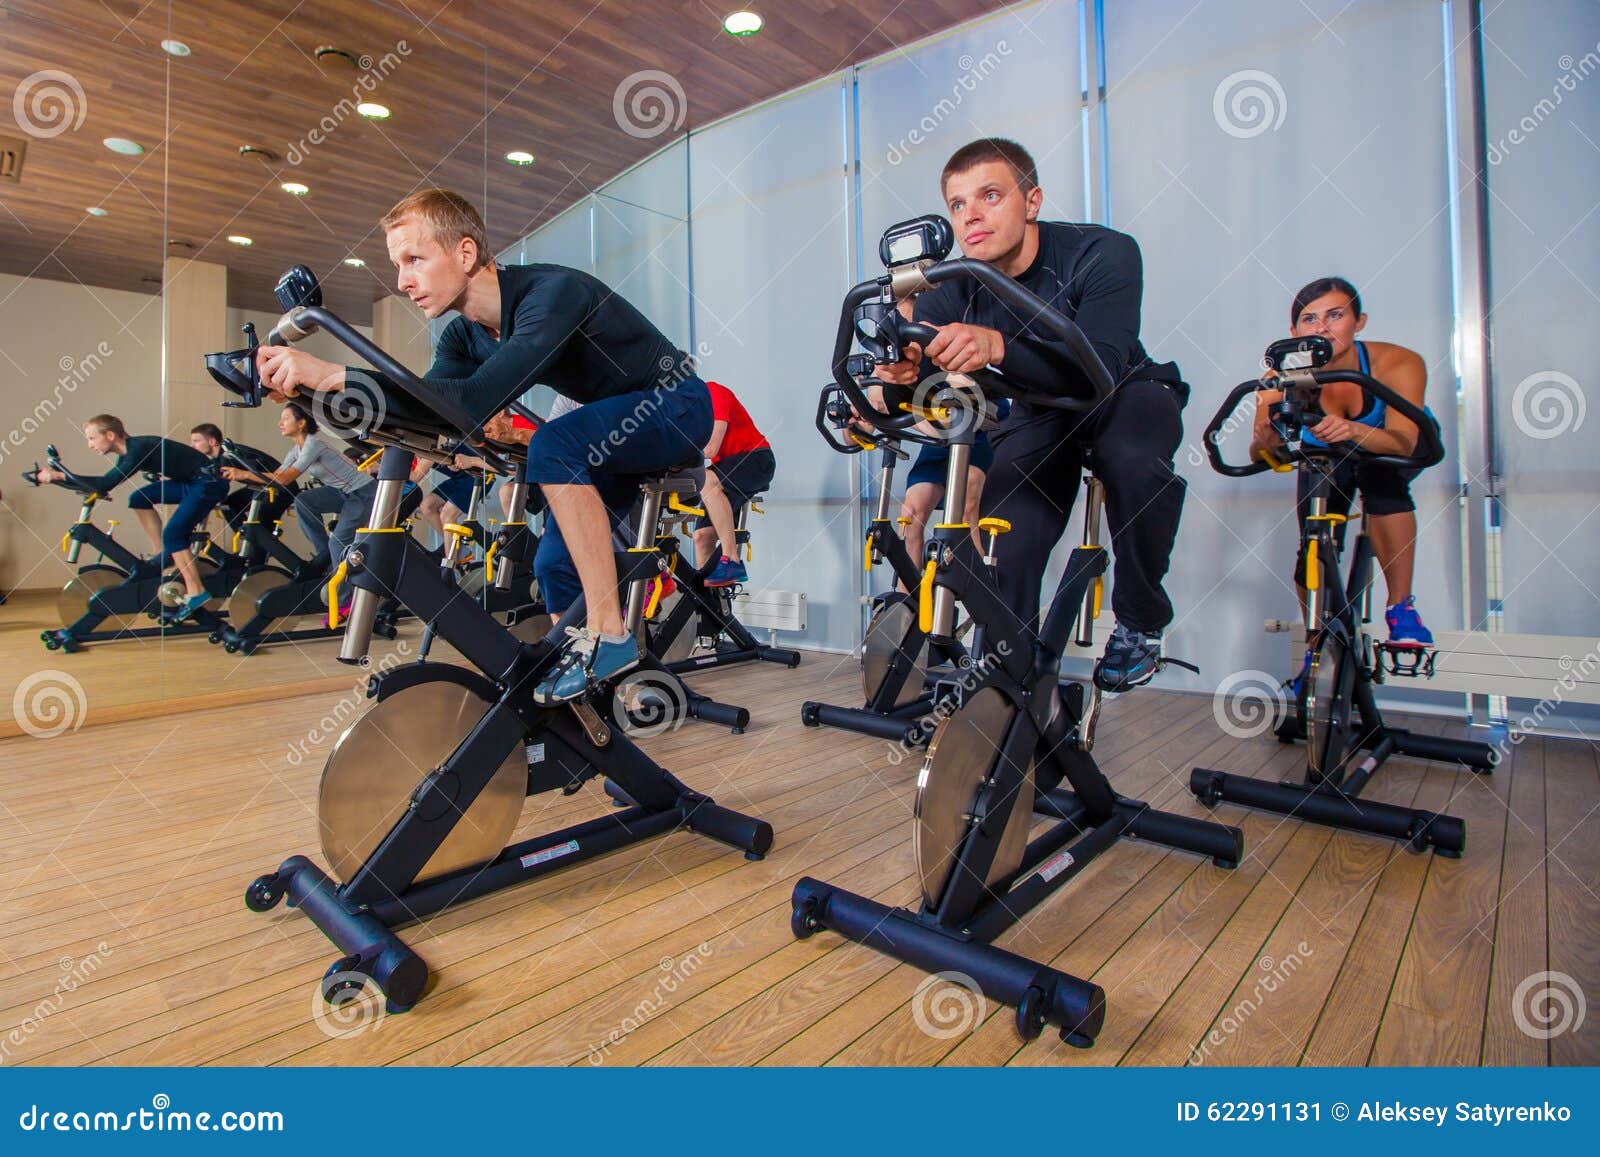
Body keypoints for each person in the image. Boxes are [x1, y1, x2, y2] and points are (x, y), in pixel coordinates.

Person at [248, 188, 710, 703]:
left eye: (413, 259)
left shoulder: (552, 293)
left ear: (465, 254)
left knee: (552, 444)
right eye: (398, 265)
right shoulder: (461, 338)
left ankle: (610, 637)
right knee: (553, 564)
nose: (402, 281)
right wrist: (308, 393)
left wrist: (336, 372)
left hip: (676, 407)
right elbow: (426, 410)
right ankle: (591, 681)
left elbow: (471, 401)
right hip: (604, 439)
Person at [875, 138, 1190, 692]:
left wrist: (996, 346)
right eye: (957, 204)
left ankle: (1140, 623)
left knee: (1132, 462)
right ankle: (1006, 673)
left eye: (990, 195)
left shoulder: (1103, 252)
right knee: (1005, 530)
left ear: (1033, 200)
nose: (971, 215)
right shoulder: (952, 289)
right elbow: (924, 385)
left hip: (1123, 392)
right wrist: (903, 382)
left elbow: (1102, 367)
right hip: (1040, 411)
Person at [1250, 276, 1436, 664]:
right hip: (1329, 457)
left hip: (1389, 448)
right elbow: (1260, 451)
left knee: (1380, 479)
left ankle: (1401, 607)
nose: (1321, 328)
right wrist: (1268, 440)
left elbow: (1402, 440)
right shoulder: (1281, 376)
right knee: (1313, 532)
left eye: (1335, 315)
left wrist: (1353, 429)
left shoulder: (1396, 363)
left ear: (1359, 321)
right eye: (1309, 319)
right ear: (1294, 331)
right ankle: (1316, 651)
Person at [33, 414, 227, 619]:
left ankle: (197, 591)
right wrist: (55, 479)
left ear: (109, 435)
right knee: (139, 498)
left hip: (209, 484)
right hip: (191, 483)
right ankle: (162, 553)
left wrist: (58, 476)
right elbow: (99, 485)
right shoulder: (128, 454)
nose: (89, 445)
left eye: (91, 438)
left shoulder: (137, 449)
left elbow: (104, 484)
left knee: (173, 535)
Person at [219, 404, 376, 597]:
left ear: (301, 423)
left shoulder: (313, 445)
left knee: (338, 543)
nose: (280, 423)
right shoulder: (296, 450)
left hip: (363, 492)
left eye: (285, 418)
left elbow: (285, 479)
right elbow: (277, 475)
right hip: (342, 492)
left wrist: (244, 473)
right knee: (304, 501)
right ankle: (324, 556)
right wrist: (243, 475)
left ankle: (343, 599)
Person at [695, 381, 774, 587]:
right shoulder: (687, 411)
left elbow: (711, 449)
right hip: (727, 470)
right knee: (702, 537)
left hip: (756, 459)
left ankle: (731, 560)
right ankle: (712, 609)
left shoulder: (713, 391)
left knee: (707, 480)